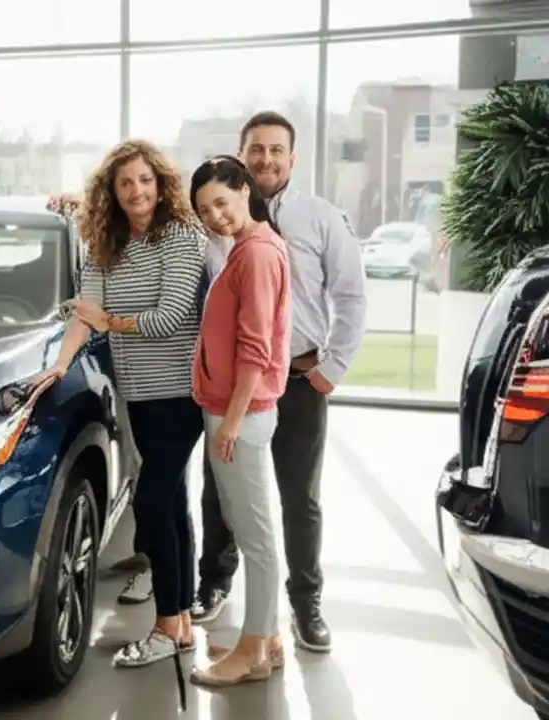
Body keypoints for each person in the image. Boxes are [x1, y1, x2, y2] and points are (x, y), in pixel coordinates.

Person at [192, 112, 367, 655]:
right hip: (235, 390)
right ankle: (214, 582)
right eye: (256, 149)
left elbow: (351, 295)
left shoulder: (318, 218)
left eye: (275, 150)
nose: (265, 158)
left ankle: (305, 603)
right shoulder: (218, 217)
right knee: (222, 492)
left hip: (298, 378)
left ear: (292, 158)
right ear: (241, 155)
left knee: (299, 498)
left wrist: (331, 370)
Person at [36, 139, 207, 669]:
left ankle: (166, 623)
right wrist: (59, 365)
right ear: (111, 191)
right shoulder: (105, 243)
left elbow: (170, 317)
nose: (137, 191)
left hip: (181, 395)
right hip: (137, 395)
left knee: (151, 503)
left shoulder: (180, 236)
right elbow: (85, 313)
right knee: (171, 503)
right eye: (126, 182)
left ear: (162, 184)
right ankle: (181, 622)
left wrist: (112, 323)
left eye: (146, 180)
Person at [186, 154, 290, 686]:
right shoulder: (246, 248)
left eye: (221, 203)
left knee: (255, 536)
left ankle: (252, 651)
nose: (215, 217)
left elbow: (255, 349)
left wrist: (229, 421)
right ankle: (265, 638)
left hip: (239, 416)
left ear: (245, 190)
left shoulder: (258, 255)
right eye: (205, 210)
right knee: (249, 526)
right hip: (234, 412)